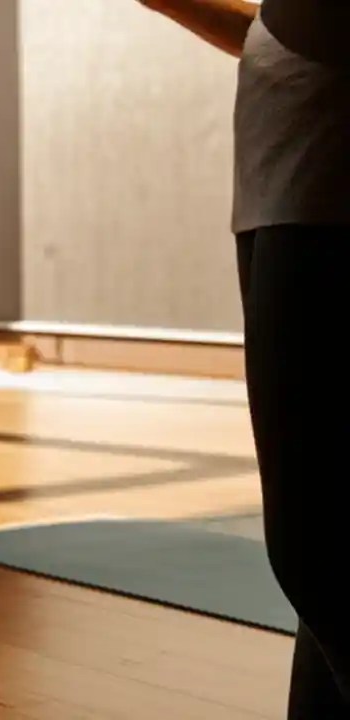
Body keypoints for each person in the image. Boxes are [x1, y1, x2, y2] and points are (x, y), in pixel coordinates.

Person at [137, 0, 350, 716]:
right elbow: (276, 25)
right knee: (326, 563)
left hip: (327, 174)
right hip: (284, 157)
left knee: (318, 552)